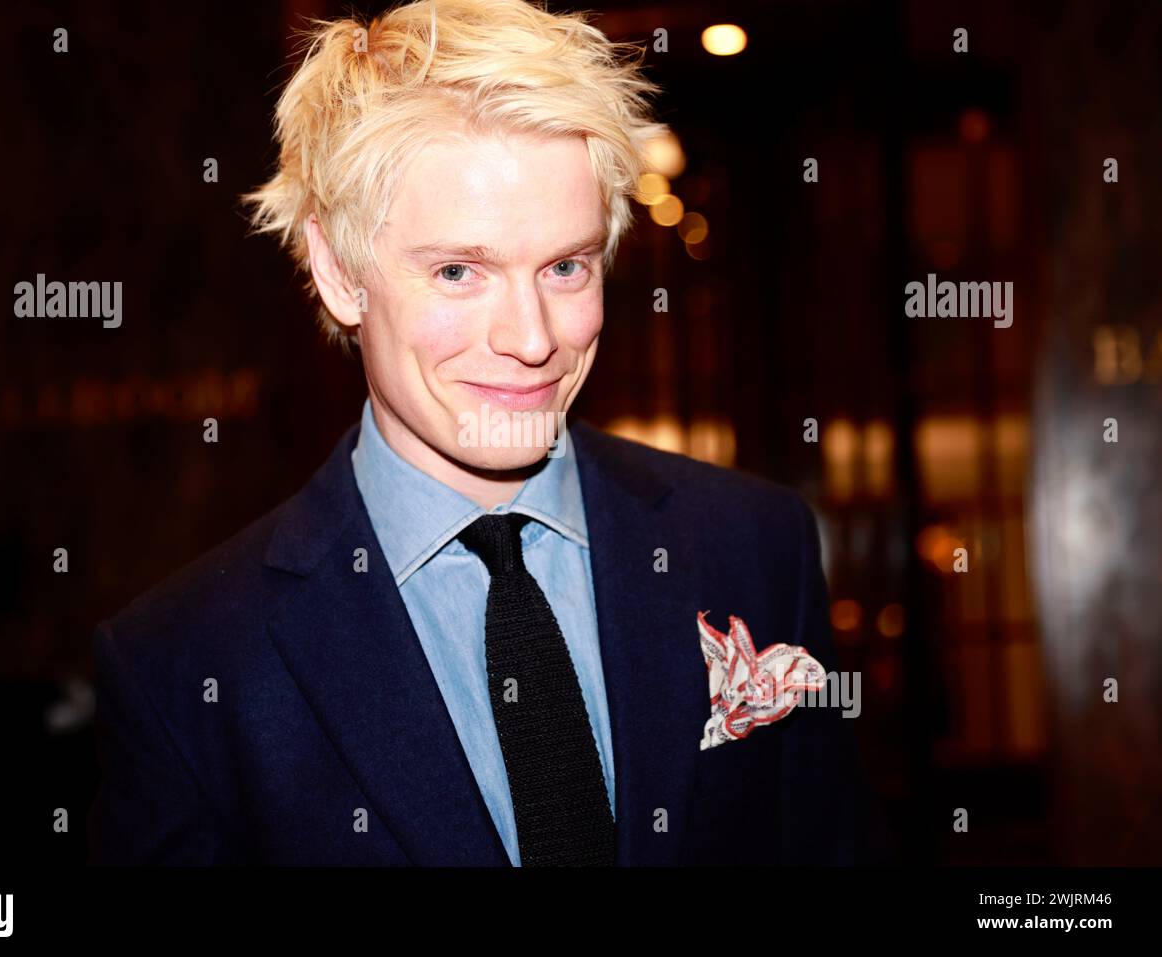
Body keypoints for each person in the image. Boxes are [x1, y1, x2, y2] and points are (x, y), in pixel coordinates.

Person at [87, 0, 883, 866]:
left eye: (566, 266)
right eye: (460, 271)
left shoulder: (754, 547)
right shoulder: (186, 665)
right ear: (339, 270)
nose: (533, 337)